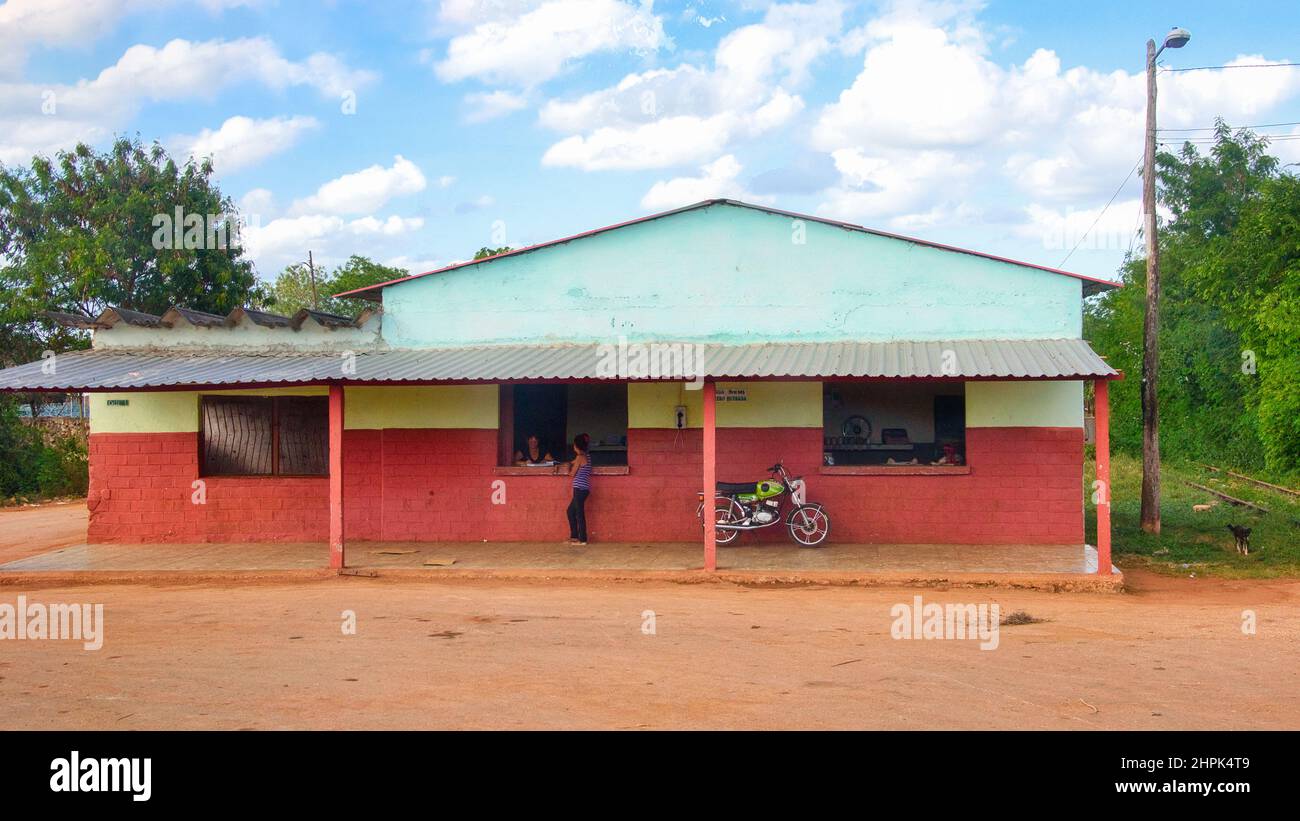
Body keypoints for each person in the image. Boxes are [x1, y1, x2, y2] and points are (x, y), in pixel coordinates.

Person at [565, 433, 592, 545]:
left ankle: (583, 539)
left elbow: (571, 474)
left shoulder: (580, 457)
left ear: (576, 446)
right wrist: (570, 463)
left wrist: (567, 468)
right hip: (583, 489)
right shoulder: (586, 456)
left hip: (579, 489)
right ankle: (574, 536)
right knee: (571, 511)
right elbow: (574, 463)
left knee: (579, 513)